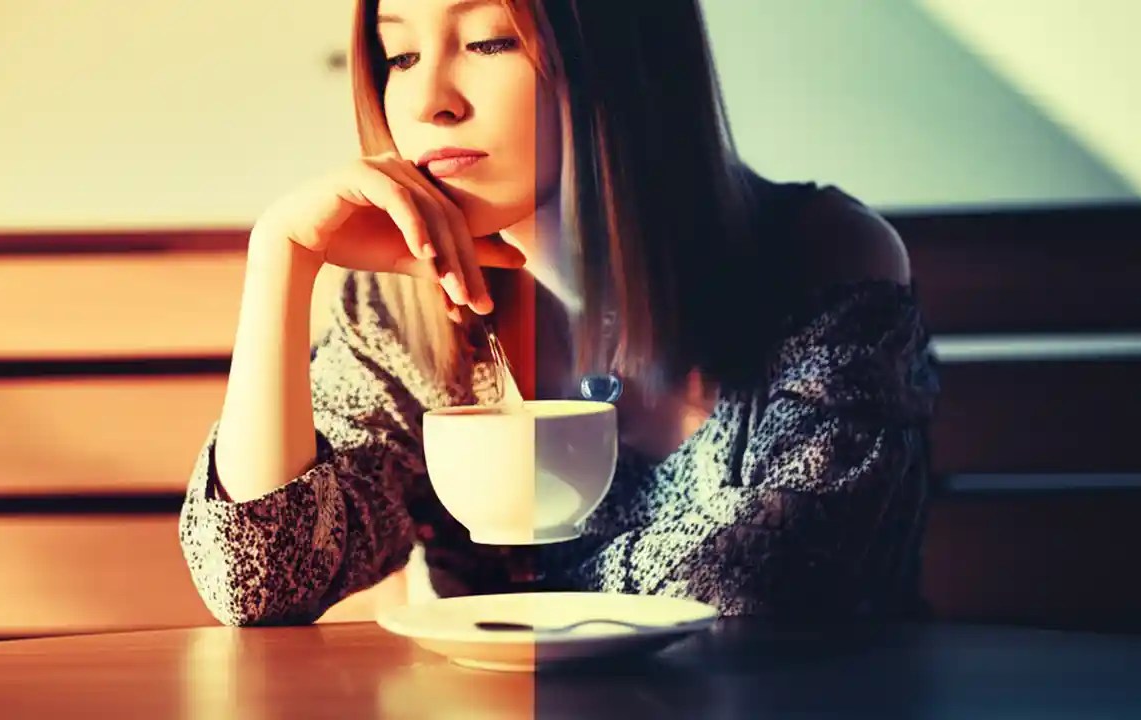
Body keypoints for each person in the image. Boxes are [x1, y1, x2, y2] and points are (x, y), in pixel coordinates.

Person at [178, 0, 940, 626]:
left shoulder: (827, 263)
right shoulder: (401, 309)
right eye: (400, 55)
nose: (428, 101)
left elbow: (770, 575)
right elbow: (261, 582)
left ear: (619, 55)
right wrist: (282, 260)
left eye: (488, 40)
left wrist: (506, 609)